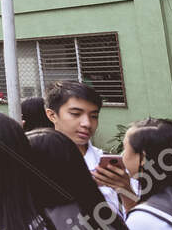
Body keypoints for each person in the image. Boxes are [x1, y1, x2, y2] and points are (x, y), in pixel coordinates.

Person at [45, 81, 135, 214]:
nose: (87, 123)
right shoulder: (38, 162)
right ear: (52, 115)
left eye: (94, 116)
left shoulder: (107, 165)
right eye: (76, 114)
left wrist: (126, 191)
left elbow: (135, 218)